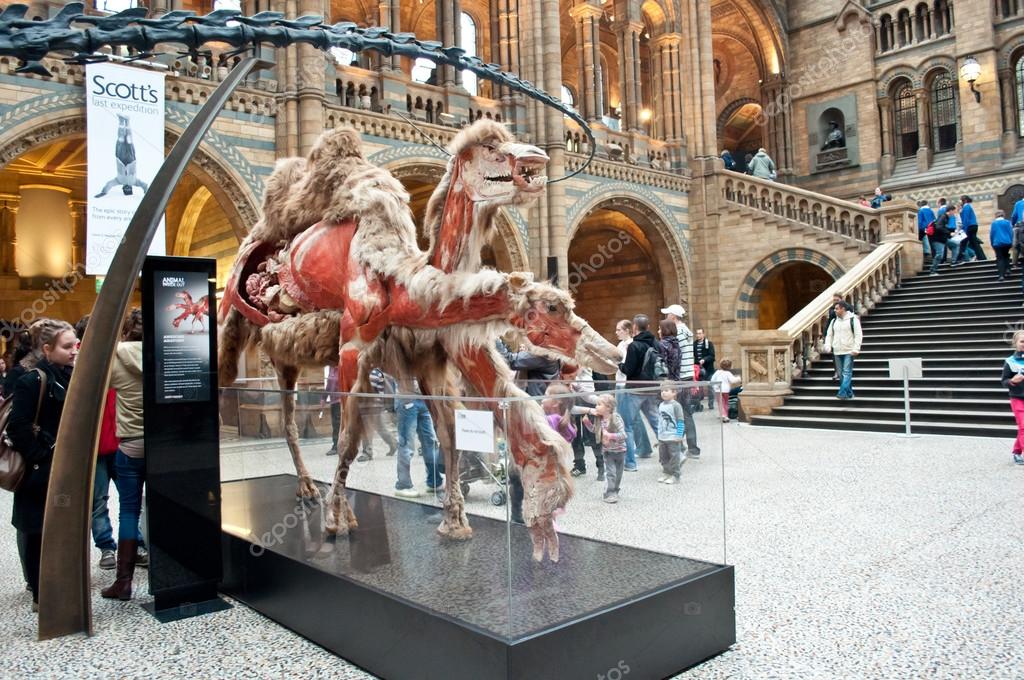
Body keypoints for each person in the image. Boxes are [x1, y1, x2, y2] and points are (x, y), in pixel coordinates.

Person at [9, 318, 77, 611]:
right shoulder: (32, 380)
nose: (74, 351)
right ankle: (41, 594)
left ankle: (60, 587)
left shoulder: (70, 376)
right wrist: (43, 456)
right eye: (67, 346)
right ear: (47, 349)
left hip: (63, 467)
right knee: (37, 532)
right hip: (41, 471)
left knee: (61, 528)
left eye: (75, 345)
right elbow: (18, 426)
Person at [102, 309, 149, 600]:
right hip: (163, 445)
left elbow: (101, 388)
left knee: (129, 511)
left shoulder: (117, 357)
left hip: (131, 446)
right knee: (166, 507)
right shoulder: (164, 352)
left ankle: (124, 582)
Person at [617, 315, 660, 471]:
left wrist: (619, 364)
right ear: (648, 327)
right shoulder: (655, 343)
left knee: (627, 425)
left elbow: (628, 370)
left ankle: (630, 463)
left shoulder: (634, 346)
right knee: (657, 423)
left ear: (634, 327)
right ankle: (676, 453)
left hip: (635, 389)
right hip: (652, 387)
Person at [661, 304, 701, 458]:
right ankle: (684, 445)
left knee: (682, 413)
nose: (666, 317)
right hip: (687, 375)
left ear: (673, 316)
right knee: (684, 412)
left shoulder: (678, 332)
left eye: (668, 314)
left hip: (680, 377)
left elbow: (674, 356)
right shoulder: (686, 331)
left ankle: (689, 448)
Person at [393, 378, 443, 498]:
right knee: (407, 445)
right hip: (407, 398)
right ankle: (403, 485)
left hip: (422, 399)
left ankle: (434, 482)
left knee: (430, 442)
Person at [582, 394, 627, 504]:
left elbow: (623, 435)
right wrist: (587, 423)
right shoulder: (599, 419)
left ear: (608, 407)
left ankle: (615, 490)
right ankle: (609, 493)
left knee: (618, 473)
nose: (596, 407)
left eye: (599, 404)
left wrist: (610, 435)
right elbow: (595, 430)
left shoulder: (616, 418)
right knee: (611, 473)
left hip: (620, 450)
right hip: (607, 451)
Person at [356, 367, 399, 462]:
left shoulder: (373, 373)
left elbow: (367, 388)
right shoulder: (374, 371)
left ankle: (367, 453)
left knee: (366, 429)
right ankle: (393, 443)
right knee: (380, 428)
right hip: (372, 405)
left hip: (371, 405)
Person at [565, 365, 600, 478]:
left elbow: (587, 395)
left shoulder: (583, 373)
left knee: (592, 435)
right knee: (575, 436)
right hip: (573, 402)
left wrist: (601, 401)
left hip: (588, 399)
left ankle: (601, 465)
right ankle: (579, 465)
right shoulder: (567, 375)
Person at [824, 301, 862, 400]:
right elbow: (829, 335)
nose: (835, 310)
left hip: (849, 351)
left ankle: (841, 393)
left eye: (837, 309)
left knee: (846, 372)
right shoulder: (834, 321)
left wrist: (856, 348)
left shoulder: (853, 320)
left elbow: (858, 335)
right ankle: (849, 393)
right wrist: (828, 345)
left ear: (843, 309)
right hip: (837, 351)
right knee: (841, 374)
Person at [1000, 330, 1024, 465]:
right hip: (1018, 398)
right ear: (1015, 343)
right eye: (1022, 341)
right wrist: (1012, 381)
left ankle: (1017, 452)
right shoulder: (1010, 361)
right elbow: (1004, 381)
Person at [656, 385, 684, 484]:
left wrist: (679, 435)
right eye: (662, 391)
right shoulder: (661, 405)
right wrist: (659, 436)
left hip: (673, 437)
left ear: (674, 392)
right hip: (662, 437)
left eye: (666, 390)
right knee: (663, 457)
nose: (663, 393)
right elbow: (660, 421)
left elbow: (680, 420)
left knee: (674, 457)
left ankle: (676, 475)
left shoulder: (676, 405)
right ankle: (667, 473)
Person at [929, 204, 958, 276]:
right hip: (937, 239)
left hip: (943, 239)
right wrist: (949, 233)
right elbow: (939, 227)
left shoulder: (946, 217)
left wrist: (949, 234)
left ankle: (953, 262)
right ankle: (932, 271)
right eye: (954, 211)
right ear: (950, 211)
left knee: (955, 245)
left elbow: (942, 228)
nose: (954, 213)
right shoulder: (943, 217)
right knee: (939, 255)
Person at [958, 195, 985, 262]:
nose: (960, 202)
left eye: (960, 200)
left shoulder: (966, 207)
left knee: (964, 242)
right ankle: (981, 257)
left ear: (964, 200)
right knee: (974, 243)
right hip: (973, 226)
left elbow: (965, 219)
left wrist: (964, 230)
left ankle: (959, 258)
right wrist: (960, 212)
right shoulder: (967, 207)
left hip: (969, 226)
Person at [825, 293, 845, 381]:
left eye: (837, 300)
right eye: (834, 300)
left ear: (841, 299)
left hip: (844, 334)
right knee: (835, 354)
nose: (835, 302)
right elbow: (831, 317)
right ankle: (837, 371)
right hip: (835, 333)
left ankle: (843, 371)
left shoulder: (847, 308)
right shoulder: (832, 309)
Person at [990, 210, 1014, 281]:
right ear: (1003, 215)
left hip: (997, 243)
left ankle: (1001, 275)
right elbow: (1010, 232)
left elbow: (992, 234)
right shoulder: (1007, 222)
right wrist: (1011, 241)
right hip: (1007, 242)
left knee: (1000, 258)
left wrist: (992, 243)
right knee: (1006, 255)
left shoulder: (994, 223)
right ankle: (1008, 269)